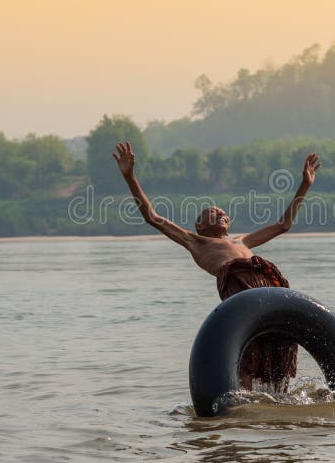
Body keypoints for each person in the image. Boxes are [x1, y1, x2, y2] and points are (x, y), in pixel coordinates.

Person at [113, 141, 321, 392]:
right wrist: (130, 176)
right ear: (199, 225)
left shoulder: (241, 240)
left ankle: (280, 398)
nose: (221, 213)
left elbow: (283, 225)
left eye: (223, 213)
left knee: (279, 345)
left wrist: (304, 185)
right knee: (252, 350)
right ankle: (245, 396)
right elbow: (153, 217)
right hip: (239, 290)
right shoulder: (195, 241)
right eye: (213, 212)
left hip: (268, 285)